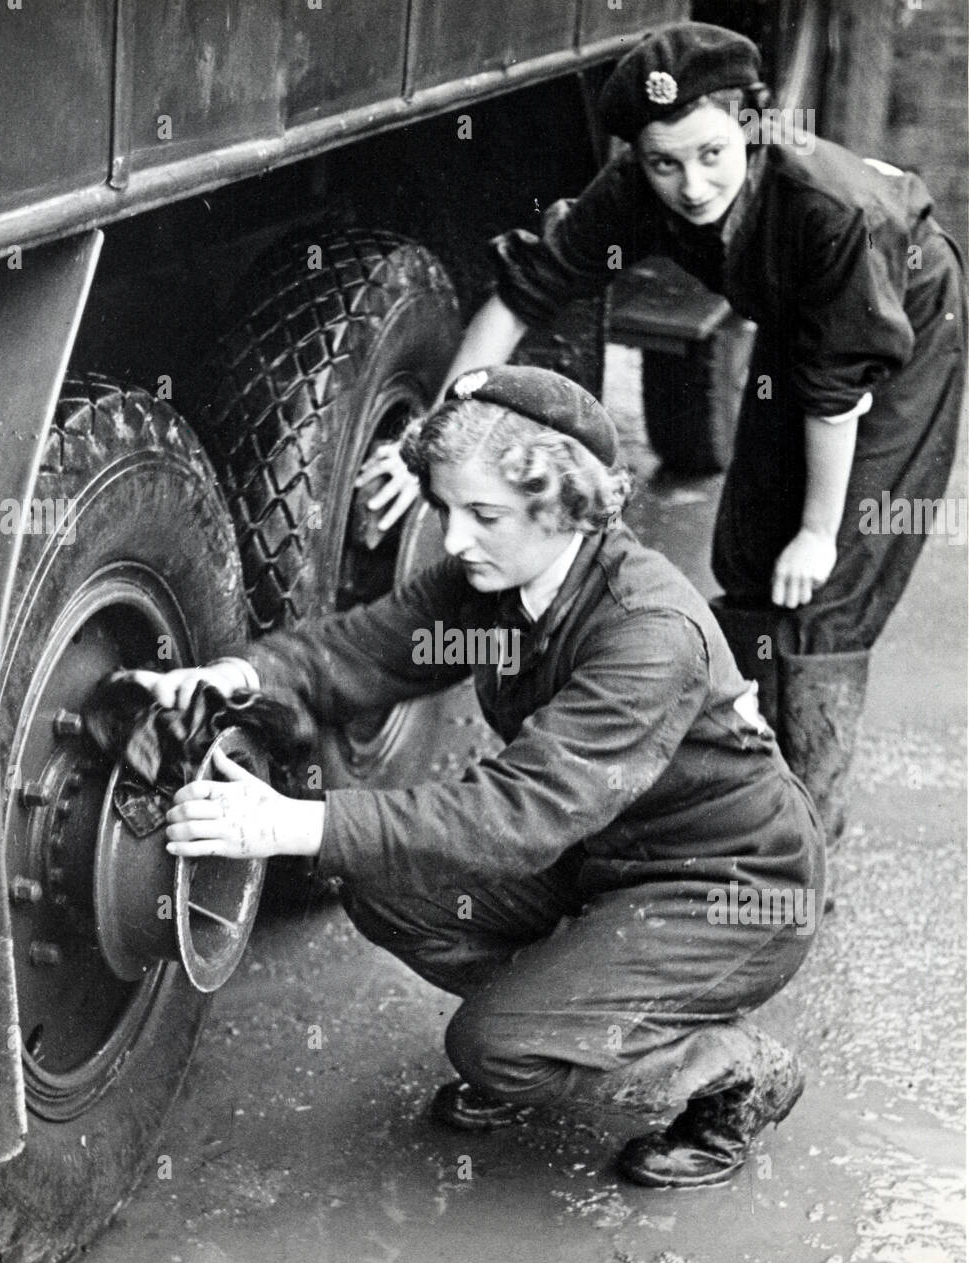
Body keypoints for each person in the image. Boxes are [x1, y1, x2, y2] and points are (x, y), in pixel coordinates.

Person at [134, 364, 825, 1189]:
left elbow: (522, 813)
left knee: (490, 1046)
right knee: (382, 882)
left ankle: (731, 1069)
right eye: (447, 511)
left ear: (563, 502)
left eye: (484, 515)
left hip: (727, 890)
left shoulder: (648, 631)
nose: (456, 539)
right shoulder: (494, 582)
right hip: (602, 854)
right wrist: (236, 678)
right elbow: (352, 655)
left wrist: (297, 823)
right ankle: (560, 1028)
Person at [358, 20, 967, 845]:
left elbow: (835, 398)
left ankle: (796, 851)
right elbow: (525, 295)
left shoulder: (829, 210)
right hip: (800, 328)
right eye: (664, 163)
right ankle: (740, 797)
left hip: (901, 329)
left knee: (824, 592)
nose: (691, 184)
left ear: (750, 131)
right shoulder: (642, 193)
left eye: (712, 155)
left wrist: (820, 532)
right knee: (750, 559)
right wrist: (432, 431)